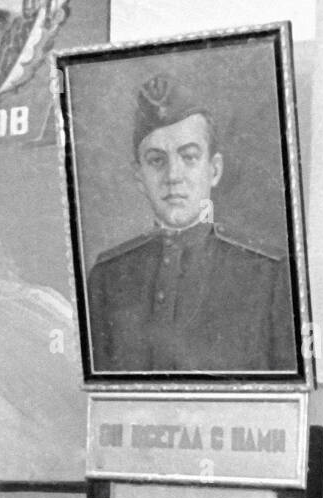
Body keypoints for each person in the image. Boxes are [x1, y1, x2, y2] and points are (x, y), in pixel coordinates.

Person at [86, 72, 300, 374]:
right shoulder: (107, 278)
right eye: (157, 161)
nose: (173, 175)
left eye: (189, 157)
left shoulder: (268, 274)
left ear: (214, 170)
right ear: (139, 176)